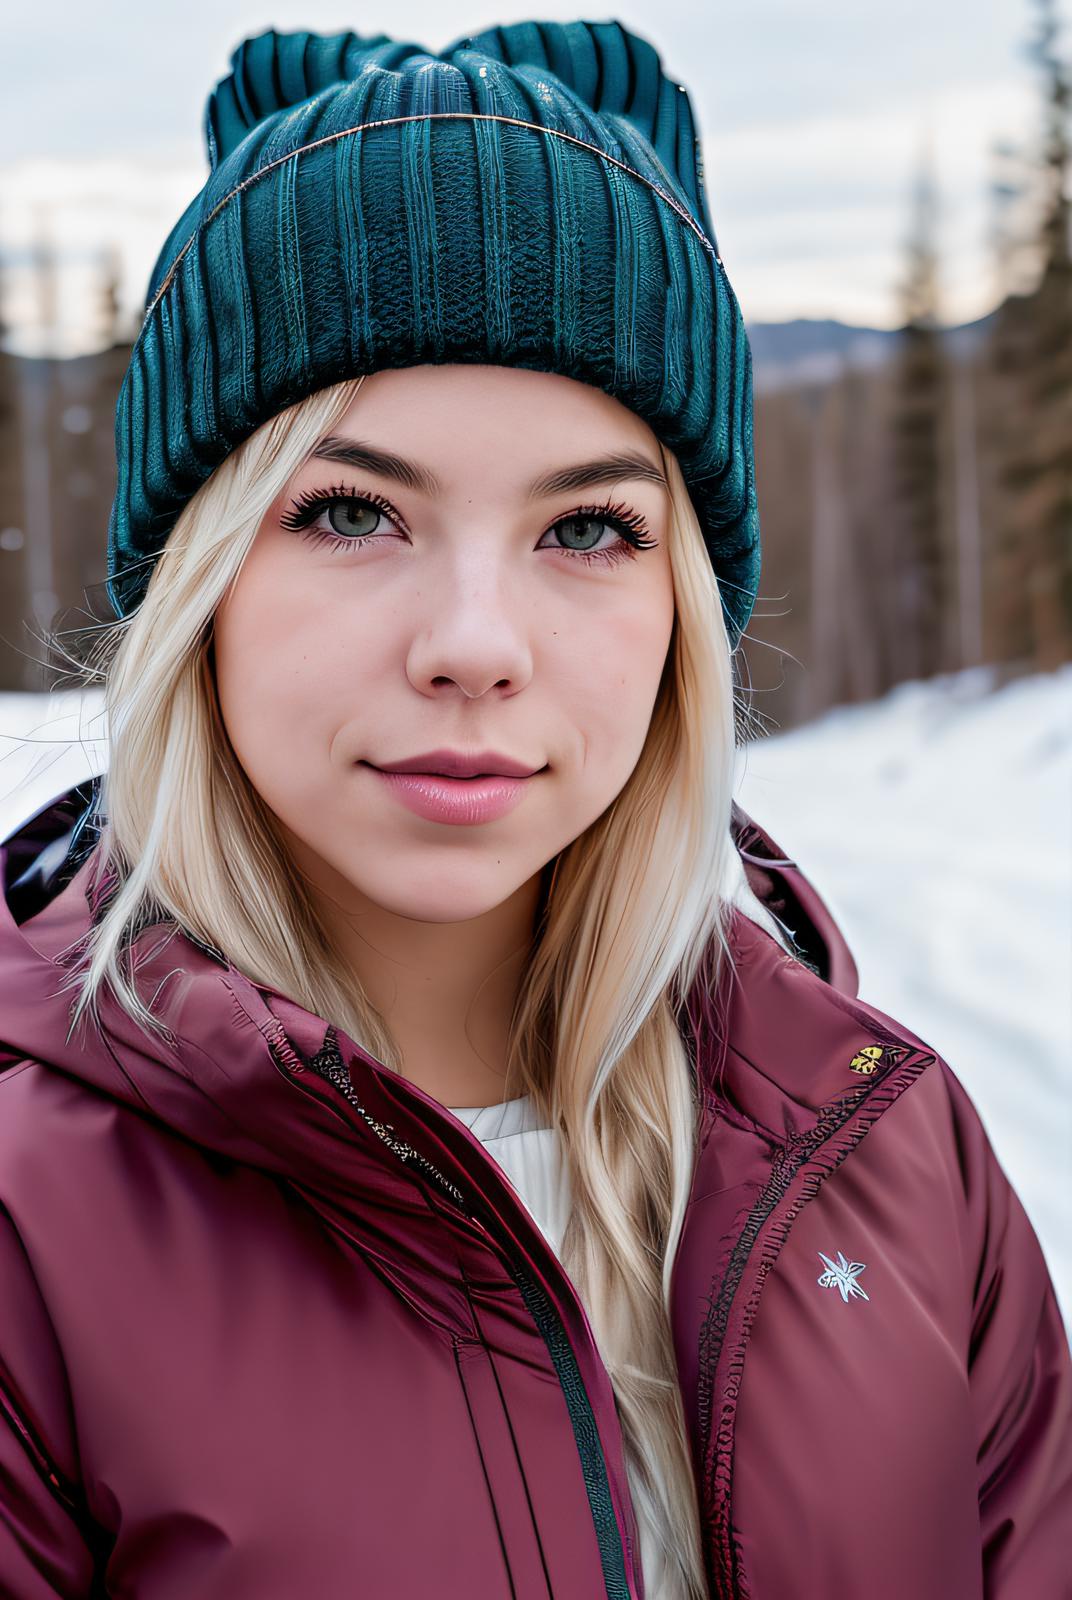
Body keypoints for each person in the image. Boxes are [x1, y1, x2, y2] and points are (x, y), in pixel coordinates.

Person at [0, 20, 1069, 1600]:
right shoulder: (28, 1234)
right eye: (351, 512)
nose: (476, 647)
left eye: (589, 529)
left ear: (682, 613)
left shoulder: (899, 1162)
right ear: (197, 588)